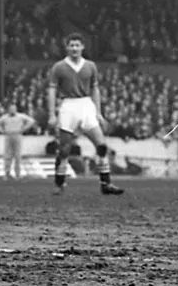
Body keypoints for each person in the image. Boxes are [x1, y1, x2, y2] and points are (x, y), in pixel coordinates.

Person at [46, 34, 124, 195]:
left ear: (82, 47)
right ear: (67, 48)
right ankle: (59, 183)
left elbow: (95, 88)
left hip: (86, 104)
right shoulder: (59, 67)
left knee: (101, 145)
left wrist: (99, 112)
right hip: (68, 105)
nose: (74, 48)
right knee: (65, 148)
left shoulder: (90, 66)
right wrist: (52, 114)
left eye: (77, 45)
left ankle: (106, 183)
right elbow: (52, 90)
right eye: (71, 45)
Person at [0, 103, 37, 180]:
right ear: (9, 110)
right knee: (7, 155)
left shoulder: (21, 116)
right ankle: (7, 173)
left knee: (18, 155)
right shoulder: (5, 117)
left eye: (14, 109)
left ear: (16, 109)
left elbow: (32, 121)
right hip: (8, 135)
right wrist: (2, 130)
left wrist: (24, 128)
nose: (12, 110)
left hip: (17, 135)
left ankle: (17, 174)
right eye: (11, 109)